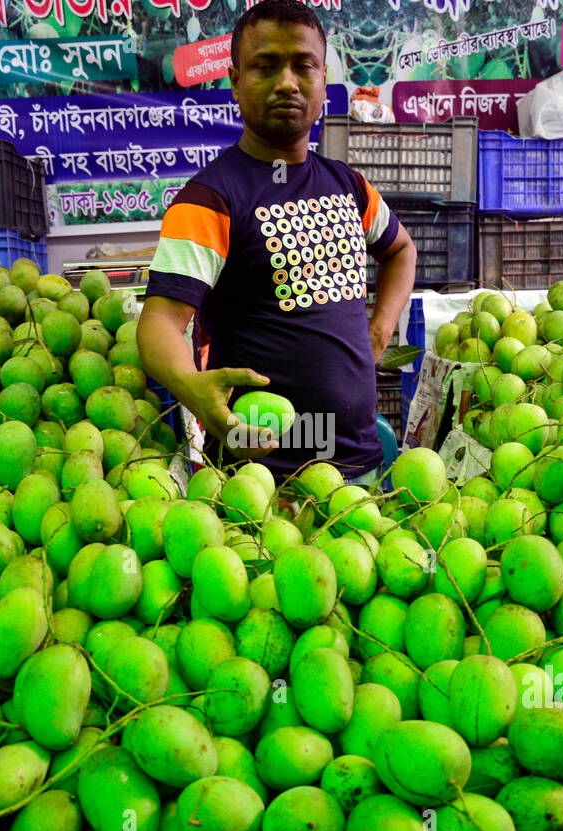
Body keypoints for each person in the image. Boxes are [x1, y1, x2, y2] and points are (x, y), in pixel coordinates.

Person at [137, 0, 416, 489]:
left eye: (302, 65)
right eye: (266, 66)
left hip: (361, 469)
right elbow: (160, 320)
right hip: (261, 487)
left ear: (322, 79)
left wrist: (380, 332)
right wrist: (192, 388)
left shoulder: (349, 185)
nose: (287, 82)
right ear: (235, 80)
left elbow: (400, 250)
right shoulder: (209, 198)